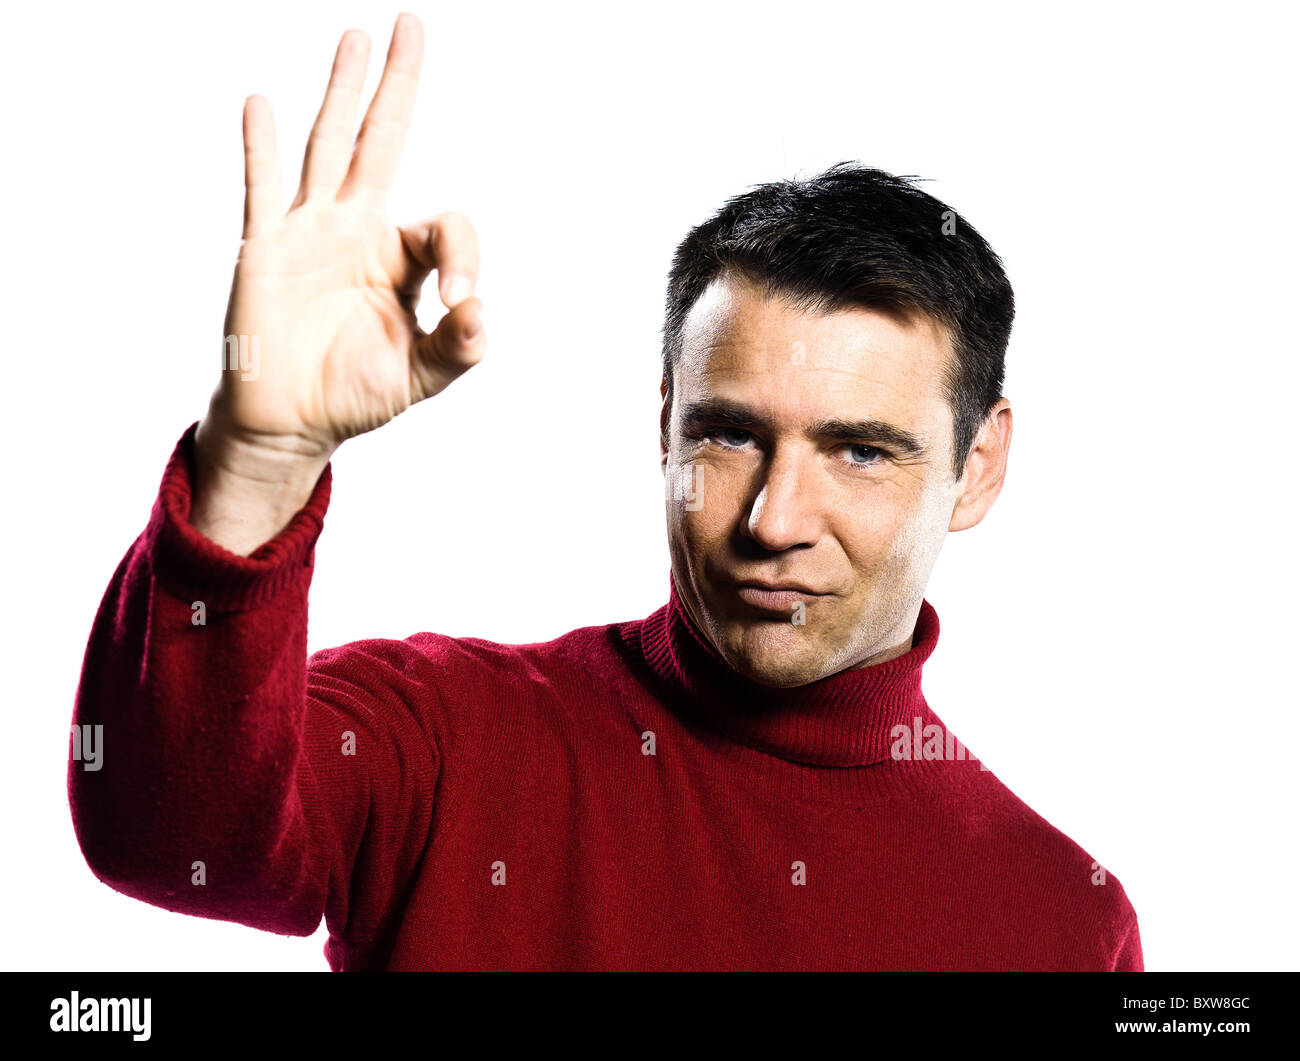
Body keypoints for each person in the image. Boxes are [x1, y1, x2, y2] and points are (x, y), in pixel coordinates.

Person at [68, 12, 1142, 971]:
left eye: (860, 451)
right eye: (727, 434)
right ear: (662, 422)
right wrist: (256, 465)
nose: (774, 519)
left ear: (979, 466)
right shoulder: (446, 738)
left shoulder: (1063, 922)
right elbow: (179, 839)